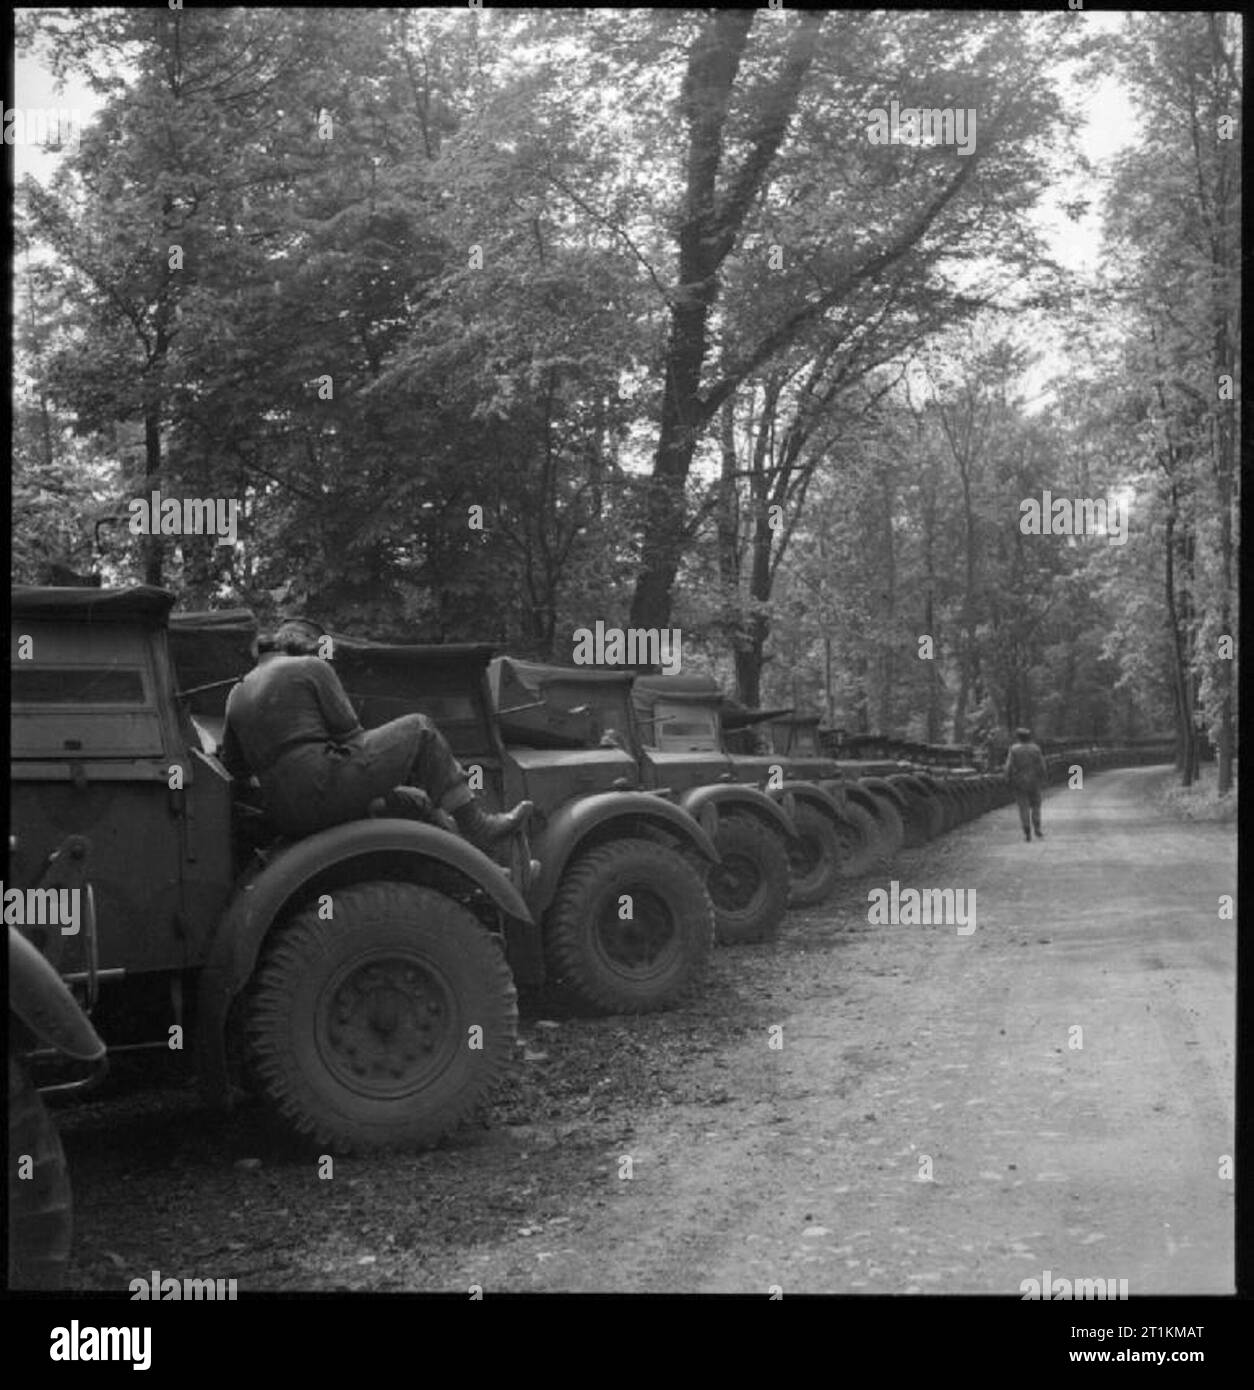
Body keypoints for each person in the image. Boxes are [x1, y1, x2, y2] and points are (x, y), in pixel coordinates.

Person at [219, 616, 531, 854]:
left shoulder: (235, 694)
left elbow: (234, 771)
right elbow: (352, 738)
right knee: (420, 729)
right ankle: (480, 828)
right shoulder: (309, 667)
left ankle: (477, 866)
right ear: (309, 645)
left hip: (284, 814)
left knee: (417, 801)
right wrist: (389, 766)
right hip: (323, 787)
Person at [1004, 726, 1048, 841]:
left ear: (1018, 737)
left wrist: (1007, 778)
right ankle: (1037, 828)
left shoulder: (1014, 749)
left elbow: (1009, 766)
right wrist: (1043, 778)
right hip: (1034, 782)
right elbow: (1042, 765)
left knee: (1023, 807)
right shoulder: (1035, 749)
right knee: (1036, 806)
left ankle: (1027, 831)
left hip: (1019, 782)